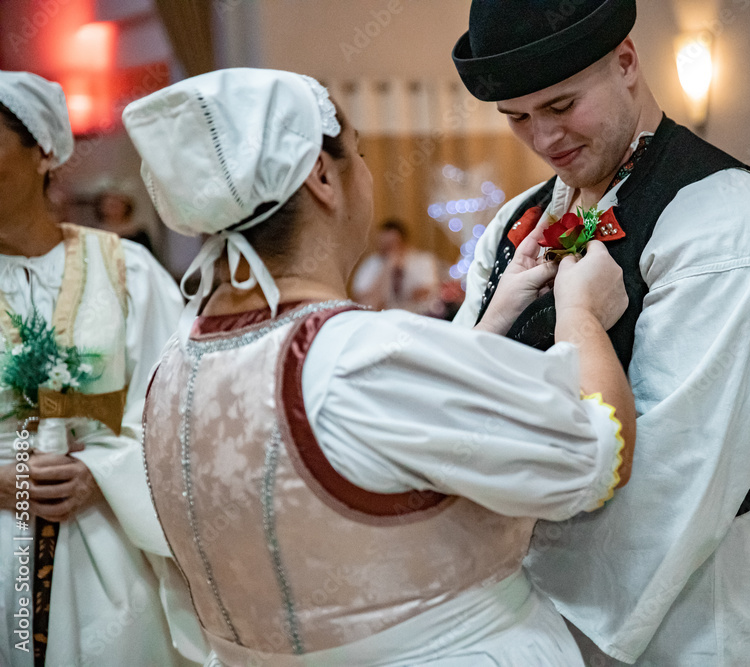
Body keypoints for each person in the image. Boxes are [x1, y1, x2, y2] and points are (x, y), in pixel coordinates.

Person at [125, 67, 637, 666]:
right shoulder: (357, 357)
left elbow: (391, 441)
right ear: (322, 176)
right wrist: (581, 314)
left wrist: (493, 316)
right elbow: (600, 455)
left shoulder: (175, 367)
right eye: (361, 154)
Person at [451, 1, 750, 664]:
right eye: (517, 118)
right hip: (512, 605)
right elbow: (454, 405)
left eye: (561, 106)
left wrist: (537, 630)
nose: (543, 139)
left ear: (626, 62)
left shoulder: (729, 223)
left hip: (673, 626)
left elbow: (676, 478)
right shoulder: (517, 222)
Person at [0, 71, 196, 666]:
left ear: (43, 150)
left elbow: (180, 405)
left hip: (108, 538)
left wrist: (99, 474)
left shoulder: (126, 270)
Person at [351, 218, 440, 313]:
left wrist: (404, 269)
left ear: (403, 242)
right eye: (384, 245)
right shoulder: (371, 263)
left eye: (392, 244)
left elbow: (426, 294)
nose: (388, 250)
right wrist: (387, 269)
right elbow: (364, 300)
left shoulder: (423, 261)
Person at [93, 180, 155, 254]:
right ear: (100, 206)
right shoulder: (92, 234)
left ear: (126, 206)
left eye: (118, 203)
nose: (114, 208)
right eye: (110, 204)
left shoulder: (138, 234)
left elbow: (147, 258)